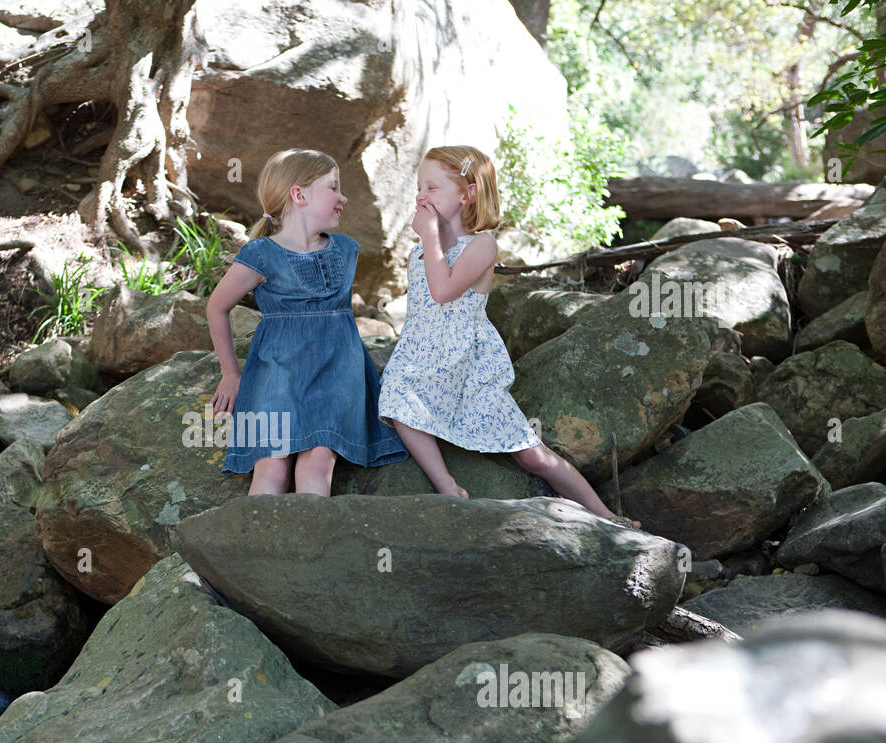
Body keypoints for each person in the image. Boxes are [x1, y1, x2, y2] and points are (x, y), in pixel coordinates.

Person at [377, 145, 640, 528]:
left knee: (531, 454)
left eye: (431, 188)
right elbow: (423, 308)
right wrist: (428, 241)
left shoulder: (481, 244)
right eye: (419, 186)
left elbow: (444, 291)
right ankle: (447, 486)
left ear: (466, 195)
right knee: (398, 399)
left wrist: (430, 237)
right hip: (420, 353)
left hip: (465, 360)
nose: (420, 195)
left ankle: (606, 515)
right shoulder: (419, 251)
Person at [205, 148, 408, 495]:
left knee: (317, 461)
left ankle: (306, 543)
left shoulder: (346, 249)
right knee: (270, 465)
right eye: (333, 187)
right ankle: (254, 548)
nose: (343, 198)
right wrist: (230, 373)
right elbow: (216, 307)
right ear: (298, 195)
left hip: (337, 376)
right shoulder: (261, 253)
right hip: (277, 374)